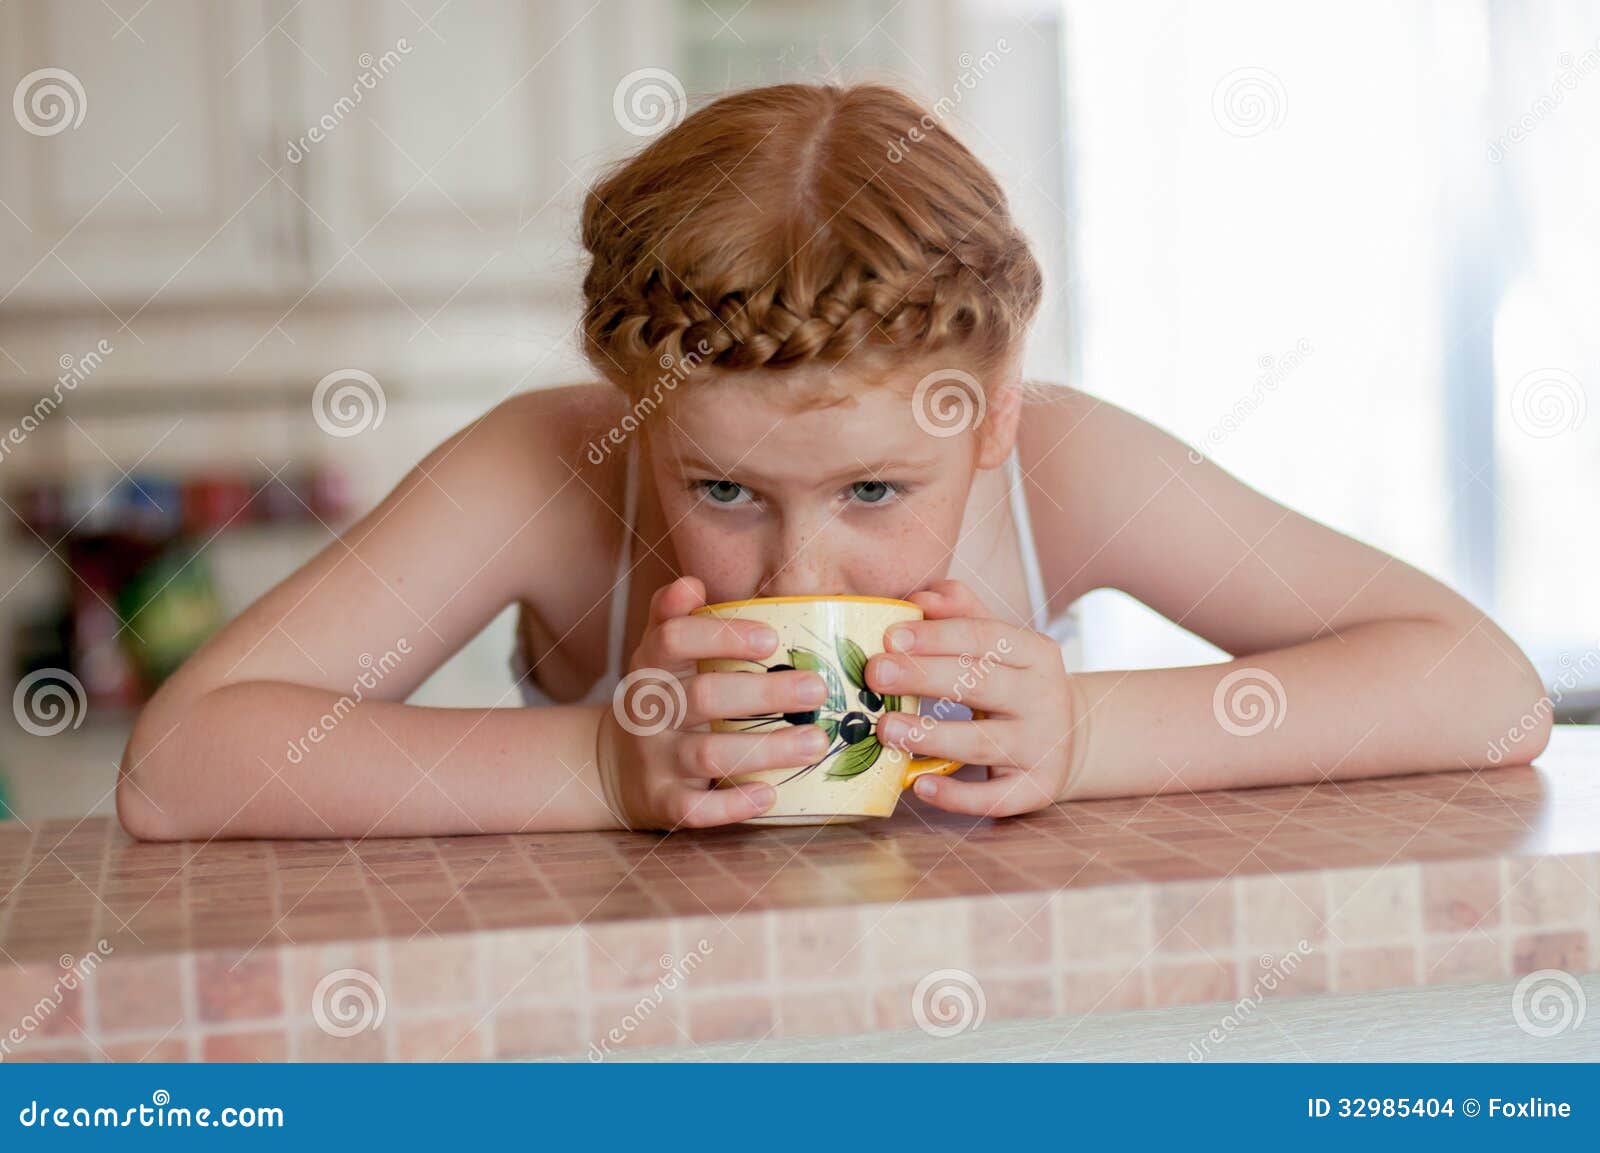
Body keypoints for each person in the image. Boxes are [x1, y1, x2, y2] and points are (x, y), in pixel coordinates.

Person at [116, 82, 1549, 840]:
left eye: (874, 491)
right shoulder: (546, 468)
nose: (796, 567)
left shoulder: (1062, 470)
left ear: (990, 418)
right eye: (722, 490)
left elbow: (1483, 687)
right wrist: (607, 762)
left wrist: (1089, 737)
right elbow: (181, 767)